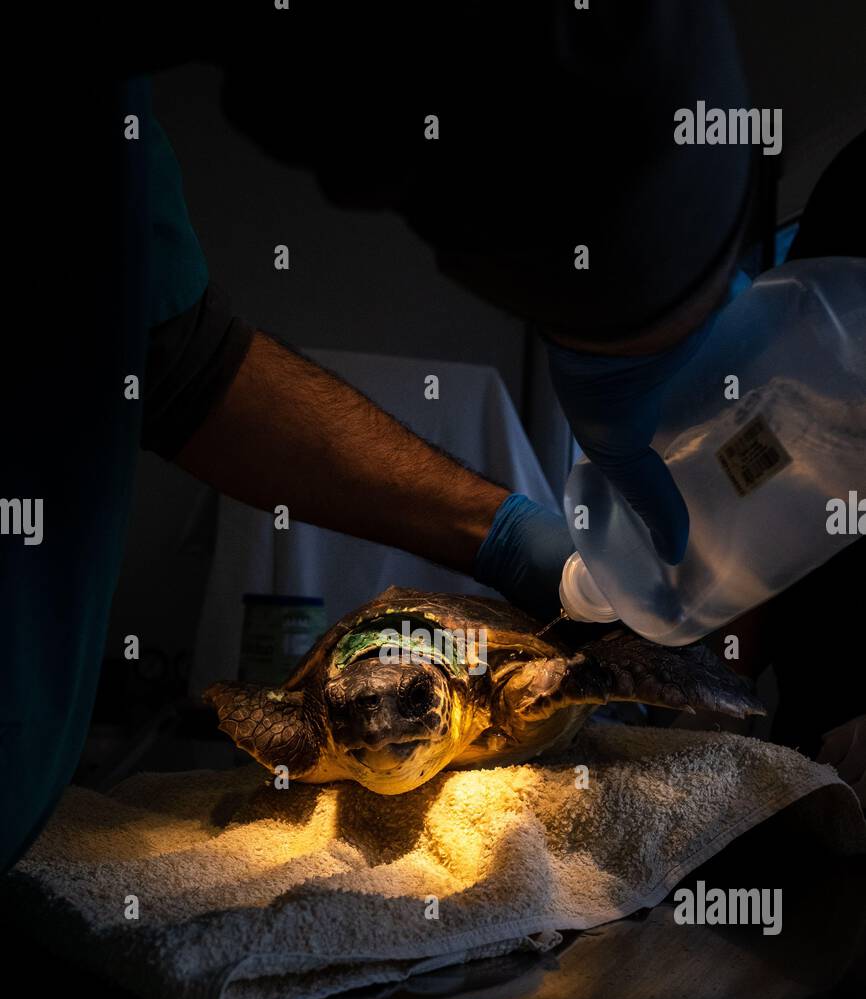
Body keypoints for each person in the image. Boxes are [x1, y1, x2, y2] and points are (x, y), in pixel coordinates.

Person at [1, 4, 861, 874]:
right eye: (352, 711)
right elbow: (584, 59)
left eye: (406, 702)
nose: (379, 728)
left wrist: (502, 535)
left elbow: (184, 367)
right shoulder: (323, 728)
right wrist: (651, 306)